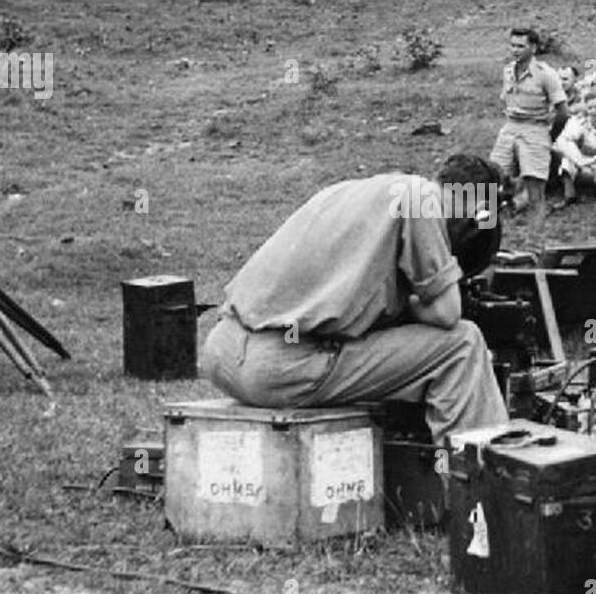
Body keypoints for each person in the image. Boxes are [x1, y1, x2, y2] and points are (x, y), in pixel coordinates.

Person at [201, 155, 509, 443]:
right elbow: (447, 314)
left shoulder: (350, 191)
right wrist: (414, 306)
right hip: (280, 369)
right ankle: (476, 484)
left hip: (223, 355)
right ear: (481, 207)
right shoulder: (423, 200)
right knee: (462, 344)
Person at [490, 28, 568, 229]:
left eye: (520, 46)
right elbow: (505, 100)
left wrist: (549, 136)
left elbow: (562, 112)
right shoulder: (508, 70)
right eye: (512, 45)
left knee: (535, 191)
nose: (515, 50)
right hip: (510, 128)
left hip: (535, 130)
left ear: (533, 48)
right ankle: (484, 238)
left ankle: (535, 241)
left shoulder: (546, 74)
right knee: (490, 182)